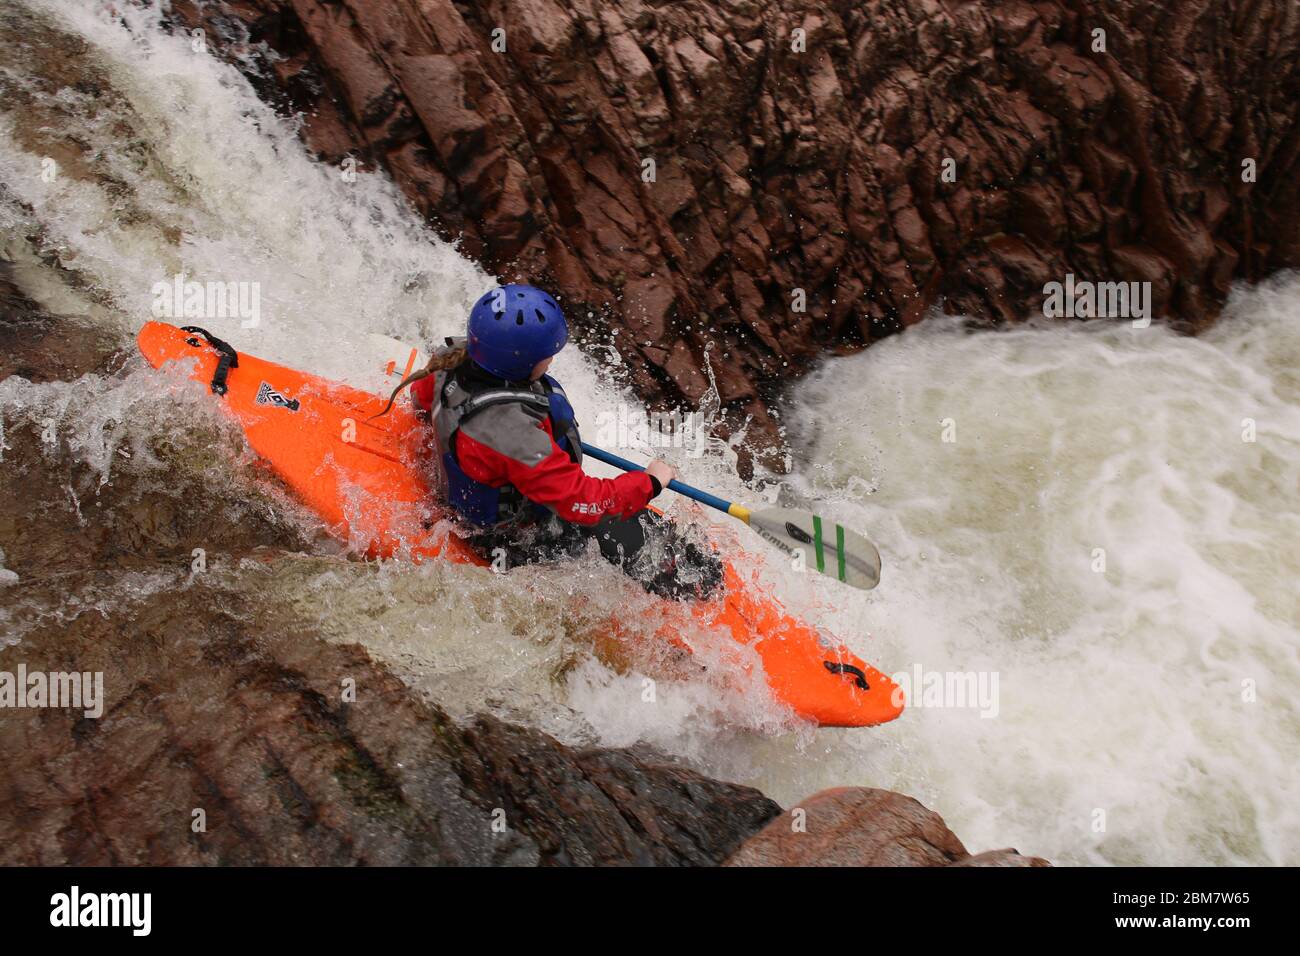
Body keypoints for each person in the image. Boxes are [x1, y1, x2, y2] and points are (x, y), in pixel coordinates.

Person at [377, 284, 722, 599]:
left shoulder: (451, 361)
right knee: (627, 529)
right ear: (521, 362)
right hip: (508, 538)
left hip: (484, 486)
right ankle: (703, 590)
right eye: (548, 352)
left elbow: (422, 403)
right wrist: (650, 482)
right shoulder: (513, 435)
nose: (553, 357)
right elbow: (583, 503)